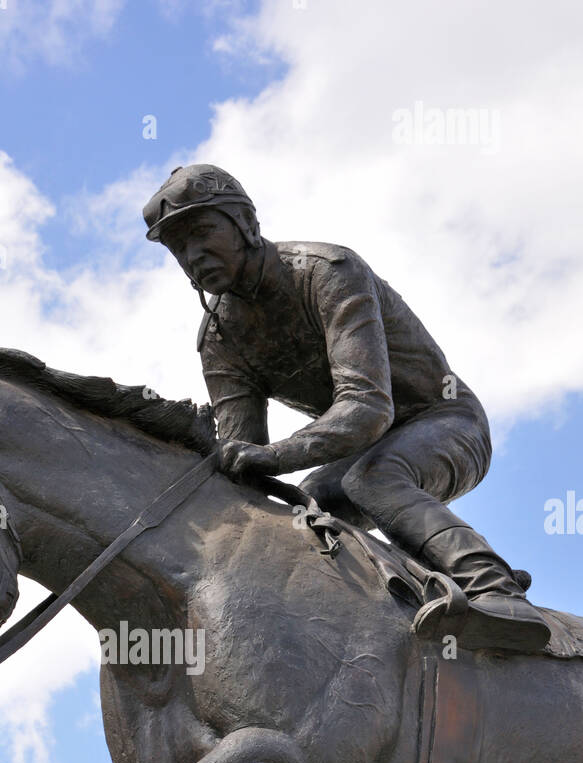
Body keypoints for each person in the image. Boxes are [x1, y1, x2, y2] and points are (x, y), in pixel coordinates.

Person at [142, 163, 549, 653]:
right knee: (305, 513)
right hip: (365, 449)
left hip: (444, 421)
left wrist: (269, 458)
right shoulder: (220, 339)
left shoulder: (327, 272)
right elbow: (241, 459)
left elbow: (367, 408)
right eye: (178, 248)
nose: (192, 255)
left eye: (202, 232)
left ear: (246, 223)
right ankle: (402, 604)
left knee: (372, 480)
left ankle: (496, 591)